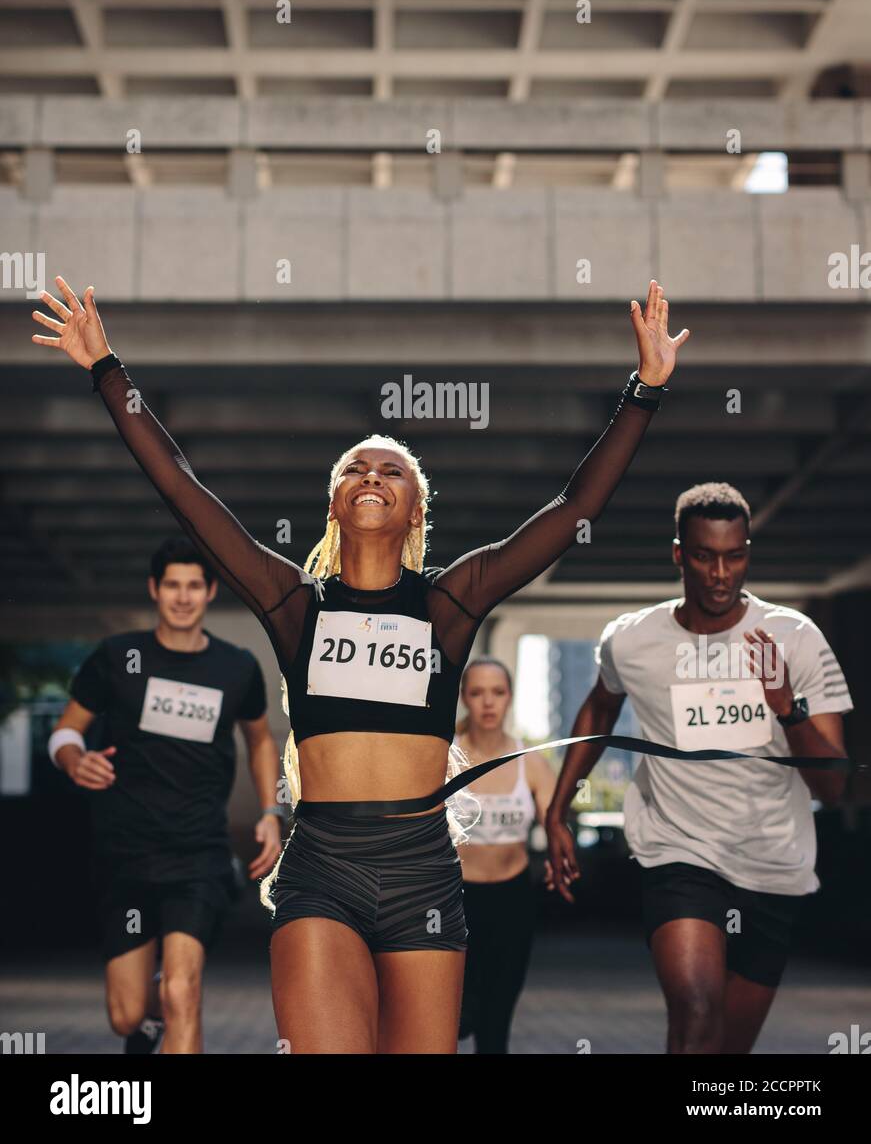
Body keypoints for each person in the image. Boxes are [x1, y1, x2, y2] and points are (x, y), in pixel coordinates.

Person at [32, 274, 687, 1055]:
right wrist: (108, 369)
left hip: (423, 873)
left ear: (414, 510)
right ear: (334, 502)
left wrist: (643, 389)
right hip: (322, 868)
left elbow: (574, 508)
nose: (371, 477)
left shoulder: (452, 602)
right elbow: (181, 485)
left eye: (392, 472)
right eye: (355, 470)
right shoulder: (291, 604)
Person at [545, 481, 853, 1054]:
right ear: (678, 555)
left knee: (722, 1050)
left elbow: (832, 785)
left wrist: (787, 707)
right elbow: (600, 706)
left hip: (771, 861)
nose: (721, 573)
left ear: (747, 555)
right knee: (695, 1006)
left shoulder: (795, 638)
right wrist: (559, 806)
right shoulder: (632, 640)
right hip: (678, 853)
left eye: (734, 556)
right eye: (706, 556)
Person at [49, 537, 283, 1054]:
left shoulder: (236, 668)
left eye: (193, 586)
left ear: (210, 591)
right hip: (124, 855)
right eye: (172, 585)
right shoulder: (117, 658)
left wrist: (269, 809)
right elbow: (66, 731)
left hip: (197, 856)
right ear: (155, 589)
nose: (182, 597)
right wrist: (73, 759)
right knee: (126, 1014)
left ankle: (171, 1012)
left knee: (183, 991)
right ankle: (151, 1018)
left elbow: (261, 738)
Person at [454, 657, 555, 1054]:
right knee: (458, 1016)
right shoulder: (445, 759)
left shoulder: (532, 763)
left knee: (496, 1023)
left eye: (497, 692)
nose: (488, 703)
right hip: (455, 901)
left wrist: (561, 860)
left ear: (510, 697)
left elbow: (556, 826)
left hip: (513, 899)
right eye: (477, 693)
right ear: (464, 698)